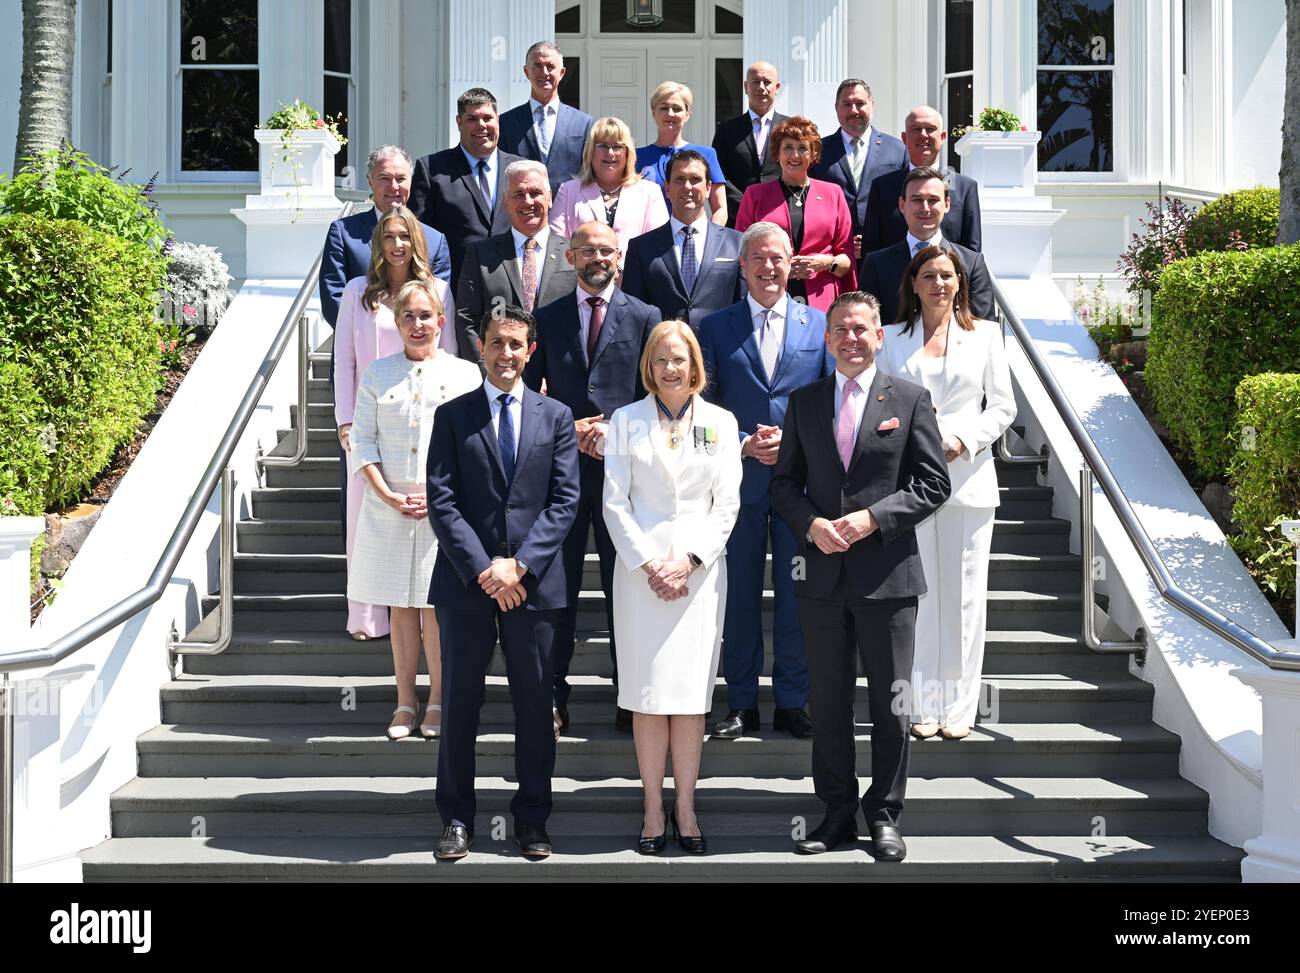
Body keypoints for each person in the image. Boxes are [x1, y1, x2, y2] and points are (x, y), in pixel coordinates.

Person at [769, 290, 950, 861]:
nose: (851, 338)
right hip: (821, 579)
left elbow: (933, 484)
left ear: (879, 336)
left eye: (861, 329)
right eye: (840, 329)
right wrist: (813, 524)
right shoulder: (803, 402)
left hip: (889, 580)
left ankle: (886, 815)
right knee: (827, 703)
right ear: (828, 339)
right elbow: (782, 486)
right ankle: (837, 813)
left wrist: (874, 518)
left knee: (891, 703)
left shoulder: (912, 399)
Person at [427, 304, 580, 861]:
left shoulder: (556, 416)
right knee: (460, 706)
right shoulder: (452, 415)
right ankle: (457, 821)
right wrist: (486, 568)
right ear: (482, 348)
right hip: (468, 585)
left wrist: (520, 566)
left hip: (534, 586)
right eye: (497, 343)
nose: (507, 354)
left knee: (536, 707)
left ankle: (533, 820)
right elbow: (441, 502)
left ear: (530, 350)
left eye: (516, 344)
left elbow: (565, 501)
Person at [603, 320, 742, 854]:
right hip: (640, 576)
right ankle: (652, 807)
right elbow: (614, 501)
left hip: (700, 575)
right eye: (660, 359)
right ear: (648, 365)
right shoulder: (625, 420)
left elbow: (727, 503)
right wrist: (648, 563)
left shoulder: (722, 423)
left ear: (695, 365)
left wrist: (688, 560)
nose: (669, 368)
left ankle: (685, 804)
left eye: (679, 358)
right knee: (646, 694)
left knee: (688, 697)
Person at [697, 222, 833, 741]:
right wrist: (742, 445)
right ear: (744, 266)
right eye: (757, 258)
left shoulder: (817, 323)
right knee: (740, 595)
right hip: (738, 484)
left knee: (799, 596)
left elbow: (827, 401)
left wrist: (796, 447)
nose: (768, 267)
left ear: (791, 261)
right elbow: (701, 408)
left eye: (777, 257)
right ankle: (742, 703)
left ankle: (794, 703)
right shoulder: (713, 327)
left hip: (800, 487)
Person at [525, 221, 661, 735]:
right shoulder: (547, 317)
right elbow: (531, 395)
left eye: (606, 249)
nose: (597, 258)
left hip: (624, 477)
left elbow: (658, 390)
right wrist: (568, 428)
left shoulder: (646, 317)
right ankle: (553, 697)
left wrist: (614, 431)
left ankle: (629, 696)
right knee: (555, 592)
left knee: (623, 590)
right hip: (559, 479)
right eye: (587, 250)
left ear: (618, 256)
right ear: (571, 256)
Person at [877, 246, 1015, 740]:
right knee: (921, 595)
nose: (938, 283)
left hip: (969, 480)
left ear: (960, 282)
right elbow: (880, 402)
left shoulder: (987, 336)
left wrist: (965, 440)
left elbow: (1003, 407)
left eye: (947, 275)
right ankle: (924, 703)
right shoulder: (890, 339)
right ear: (913, 283)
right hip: (909, 482)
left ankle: (960, 706)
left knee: (965, 597)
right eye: (929, 275)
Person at [347, 279, 482, 740]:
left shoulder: (466, 373)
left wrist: (442, 494)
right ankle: (405, 702)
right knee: (401, 609)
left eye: (427, 316)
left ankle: (439, 702)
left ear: (442, 322)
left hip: (444, 507)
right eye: (409, 316)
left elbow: (475, 445)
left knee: (435, 608)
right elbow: (362, 440)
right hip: (388, 506)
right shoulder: (377, 373)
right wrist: (384, 493)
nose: (418, 324)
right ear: (396, 323)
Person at [335, 205, 459, 641]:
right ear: (378, 244)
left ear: (417, 243)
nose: (396, 244)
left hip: (425, 416)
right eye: (388, 236)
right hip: (373, 417)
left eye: (404, 236)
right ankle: (367, 616)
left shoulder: (437, 291)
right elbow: (344, 360)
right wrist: (345, 420)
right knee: (365, 520)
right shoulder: (356, 291)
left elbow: (453, 356)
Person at [319, 144, 452, 329]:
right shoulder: (343, 233)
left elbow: (439, 303)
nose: (394, 186)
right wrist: (375, 335)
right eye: (384, 178)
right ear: (370, 181)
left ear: (411, 182)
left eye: (401, 178)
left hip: (416, 350)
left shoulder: (435, 241)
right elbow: (333, 299)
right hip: (360, 350)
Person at [455, 160, 577, 359]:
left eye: (535, 193)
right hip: (499, 373)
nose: (528, 201)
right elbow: (467, 320)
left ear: (550, 198)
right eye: (519, 194)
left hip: (558, 381)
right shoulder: (480, 255)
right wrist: (489, 372)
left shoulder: (573, 254)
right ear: (505, 201)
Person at [734, 116, 855, 312]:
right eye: (788, 147)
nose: (795, 155)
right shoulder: (755, 195)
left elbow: (846, 260)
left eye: (803, 148)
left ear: (813, 153)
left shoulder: (833, 194)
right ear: (777, 153)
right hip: (768, 296)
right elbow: (740, 252)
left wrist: (826, 263)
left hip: (821, 298)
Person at [408, 88, 524, 285]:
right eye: (472, 119)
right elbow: (420, 236)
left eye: (488, 118)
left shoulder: (521, 169)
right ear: (459, 122)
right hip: (455, 288)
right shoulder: (431, 169)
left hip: (513, 287)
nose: (482, 126)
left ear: (498, 121)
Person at [621, 149, 744, 328]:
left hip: (719, 352)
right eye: (680, 179)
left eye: (695, 179)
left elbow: (743, 306)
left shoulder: (737, 243)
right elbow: (634, 312)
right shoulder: (641, 247)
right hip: (663, 352)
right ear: (667, 188)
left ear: (709, 188)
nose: (687, 186)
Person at [859, 166, 994, 323]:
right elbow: (866, 326)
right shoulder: (876, 264)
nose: (925, 208)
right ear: (902, 205)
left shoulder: (972, 264)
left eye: (933, 200)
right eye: (917, 200)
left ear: (947, 204)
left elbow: (985, 329)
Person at [862, 105, 982, 254]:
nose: (923, 135)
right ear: (904, 138)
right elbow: (871, 248)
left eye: (930, 129)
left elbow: (972, 252)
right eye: (916, 129)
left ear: (943, 137)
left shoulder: (965, 188)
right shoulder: (882, 187)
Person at [810, 80, 907, 261]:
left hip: (883, 255)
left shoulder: (898, 150)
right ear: (836, 108)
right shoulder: (817, 151)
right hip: (833, 256)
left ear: (872, 105)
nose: (854, 110)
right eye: (847, 104)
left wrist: (871, 239)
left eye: (860, 103)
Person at [550, 117, 669, 262]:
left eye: (617, 146)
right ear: (590, 151)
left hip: (633, 281)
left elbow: (658, 246)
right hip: (580, 280)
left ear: (627, 152)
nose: (610, 153)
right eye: (603, 146)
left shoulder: (650, 192)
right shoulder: (568, 191)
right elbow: (557, 245)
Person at [497, 41, 594, 193]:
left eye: (550, 66)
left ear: (561, 73)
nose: (544, 73)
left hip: (569, 212)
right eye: (537, 66)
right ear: (526, 72)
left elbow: (590, 173)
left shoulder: (584, 123)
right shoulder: (505, 123)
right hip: (523, 212)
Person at [634, 81, 728, 225]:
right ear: (653, 112)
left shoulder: (706, 154)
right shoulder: (636, 157)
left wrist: (711, 240)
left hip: (693, 238)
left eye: (677, 108)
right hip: (650, 240)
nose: (670, 114)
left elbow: (720, 209)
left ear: (687, 114)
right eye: (664, 108)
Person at [712, 61, 787, 230]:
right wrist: (747, 206)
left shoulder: (790, 128)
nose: (761, 87)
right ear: (746, 87)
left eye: (767, 82)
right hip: (738, 221)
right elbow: (719, 174)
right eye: (755, 82)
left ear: (777, 87)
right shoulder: (726, 130)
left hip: (781, 216)